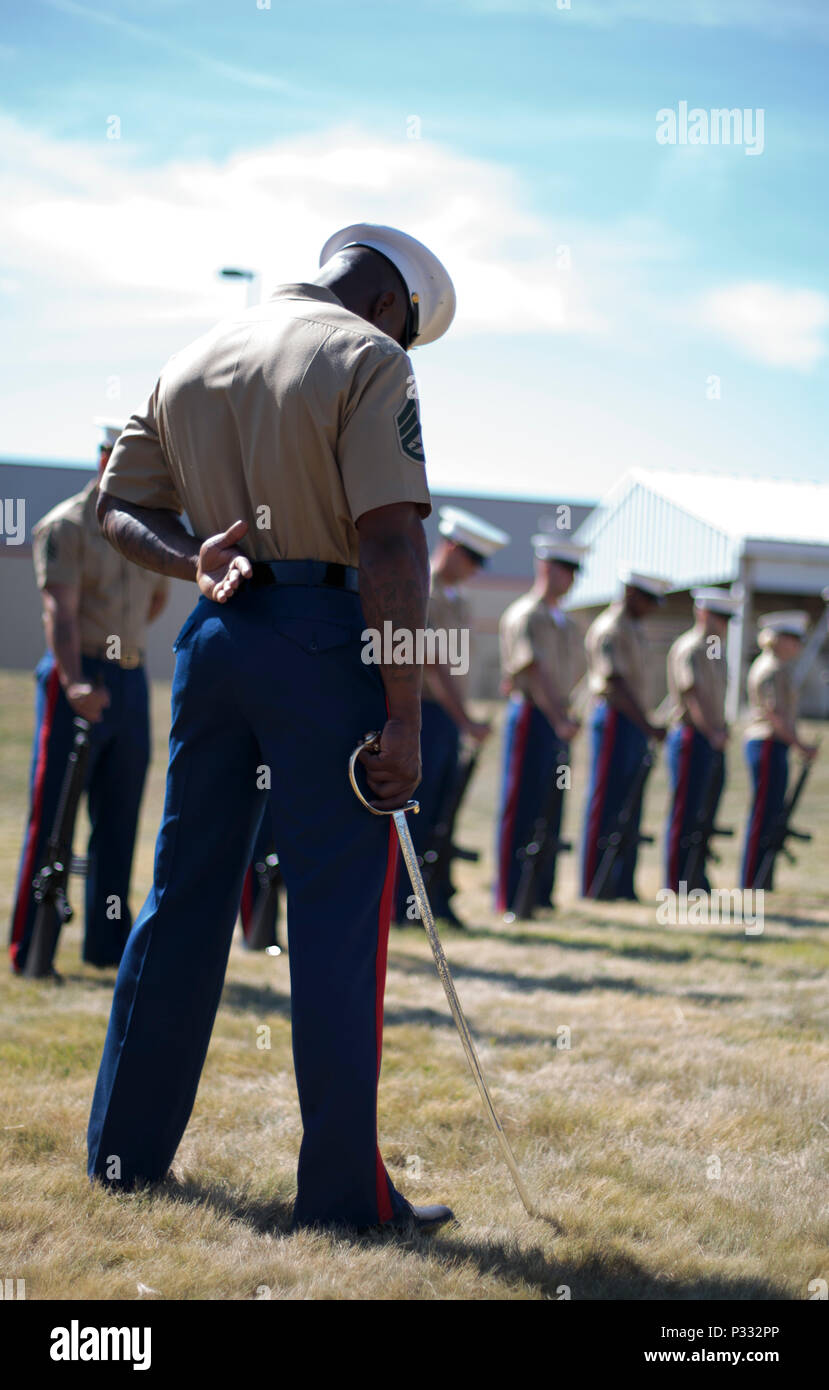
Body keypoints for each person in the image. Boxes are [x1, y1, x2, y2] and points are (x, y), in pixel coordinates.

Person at [86, 223, 458, 1233]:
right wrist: (402, 718)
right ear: (390, 308)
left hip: (218, 637)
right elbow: (389, 540)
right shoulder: (367, 359)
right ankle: (341, 1202)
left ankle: (124, 1152)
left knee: (183, 898)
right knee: (335, 927)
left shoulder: (191, 356)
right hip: (327, 642)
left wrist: (191, 559)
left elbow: (117, 507)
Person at [9, 419, 168, 974]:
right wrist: (76, 682)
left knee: (120, 817)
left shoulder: (146, 530)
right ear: (102, 460)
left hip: (128, 679)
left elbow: (153, 604)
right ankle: (31, 945)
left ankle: (105, 947)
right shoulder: (67, 526)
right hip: (79, 676)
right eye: (118, 458)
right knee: (53, 816)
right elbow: (61, 612)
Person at [395, 505, 509, 926]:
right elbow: (431, 663)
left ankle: (432, 897)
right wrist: (466, 720)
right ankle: (405, 904)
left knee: (441, 815)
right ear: (451, 547)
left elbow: (456, 668)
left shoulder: (456, 600)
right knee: (418, 815)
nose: (474, 570)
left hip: (444, 717)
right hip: (423, 712)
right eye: (471, 559)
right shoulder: (421, 588)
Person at [495, 535, 585, 915]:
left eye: (575, 572)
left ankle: (540, 889)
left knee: (551, 805)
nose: (570, 579)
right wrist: (559, 717)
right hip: (534, 715)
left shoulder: (563, 621)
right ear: (545, 567)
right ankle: (514, 894)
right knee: (524, 804)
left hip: (556, 718)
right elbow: (532, 670)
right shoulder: (527, 614)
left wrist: (568, 715)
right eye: (565, 570)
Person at [581, 568, 670, 901]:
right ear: (631, 593)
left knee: (630, 802)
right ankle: (596, 882)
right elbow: (615, 683)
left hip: (632, 721)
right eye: (648, 599)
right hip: (616, 718)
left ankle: (621, 881)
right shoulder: (611, 628)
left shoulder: (633, 628)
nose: (651, 608)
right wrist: (647, 724)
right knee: (608, 800)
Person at [664, 588, 741, 893]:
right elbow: (692, 695)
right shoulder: (691, 647)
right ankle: (677, 879)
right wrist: (712, 731)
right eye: (718, 617)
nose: (722, 624)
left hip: (712, 738)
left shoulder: (716, 651)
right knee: (685, 808)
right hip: (692, 736)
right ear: (702, 613)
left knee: (704, 809)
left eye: (726, 619)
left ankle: (696, 873)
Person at [741, 611, 818, 889]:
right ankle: (752, 879)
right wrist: (800, 745)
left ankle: (762, 877)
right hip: (767, 743)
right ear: (779, 639)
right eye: (794, 638)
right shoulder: (771, 669)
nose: (799, 644)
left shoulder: (779, 668)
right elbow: (774, 714)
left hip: (775, 744)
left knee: (771, 813)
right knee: (763, 812)